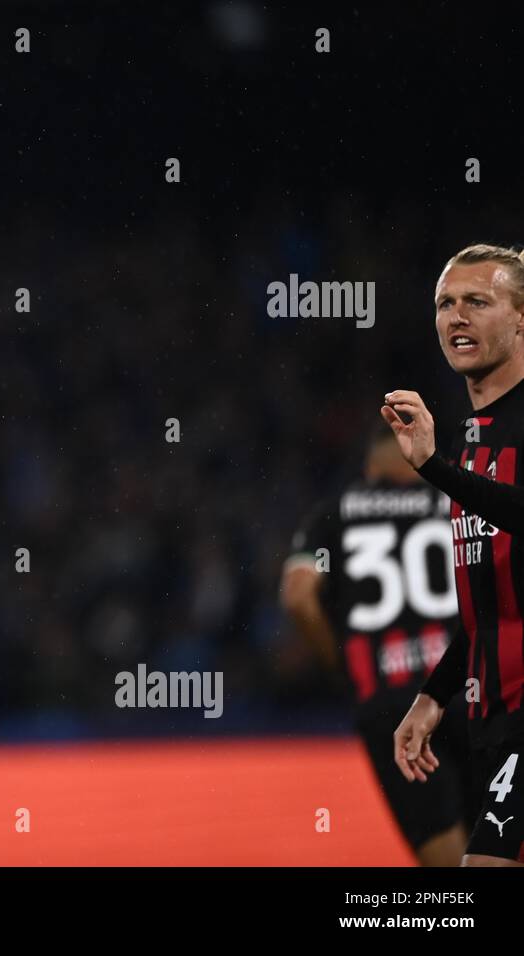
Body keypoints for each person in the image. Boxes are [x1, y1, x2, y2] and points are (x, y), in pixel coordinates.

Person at [388, 243, 524, 866]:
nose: (456, 317)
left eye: (478, 301)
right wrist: (434, 694)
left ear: (521, 318)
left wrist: (433, 468)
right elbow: (493, 602)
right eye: (446, 303)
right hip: (491, 712)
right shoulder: (474, 442)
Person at [282, 425, 472, 865]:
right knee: (497, 837)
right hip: (468, 686)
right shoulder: (457, 501)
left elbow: (298, 596)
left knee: (442, 848)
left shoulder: (335, 514)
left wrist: (339, 664)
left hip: (388, 697)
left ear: (370, 466)